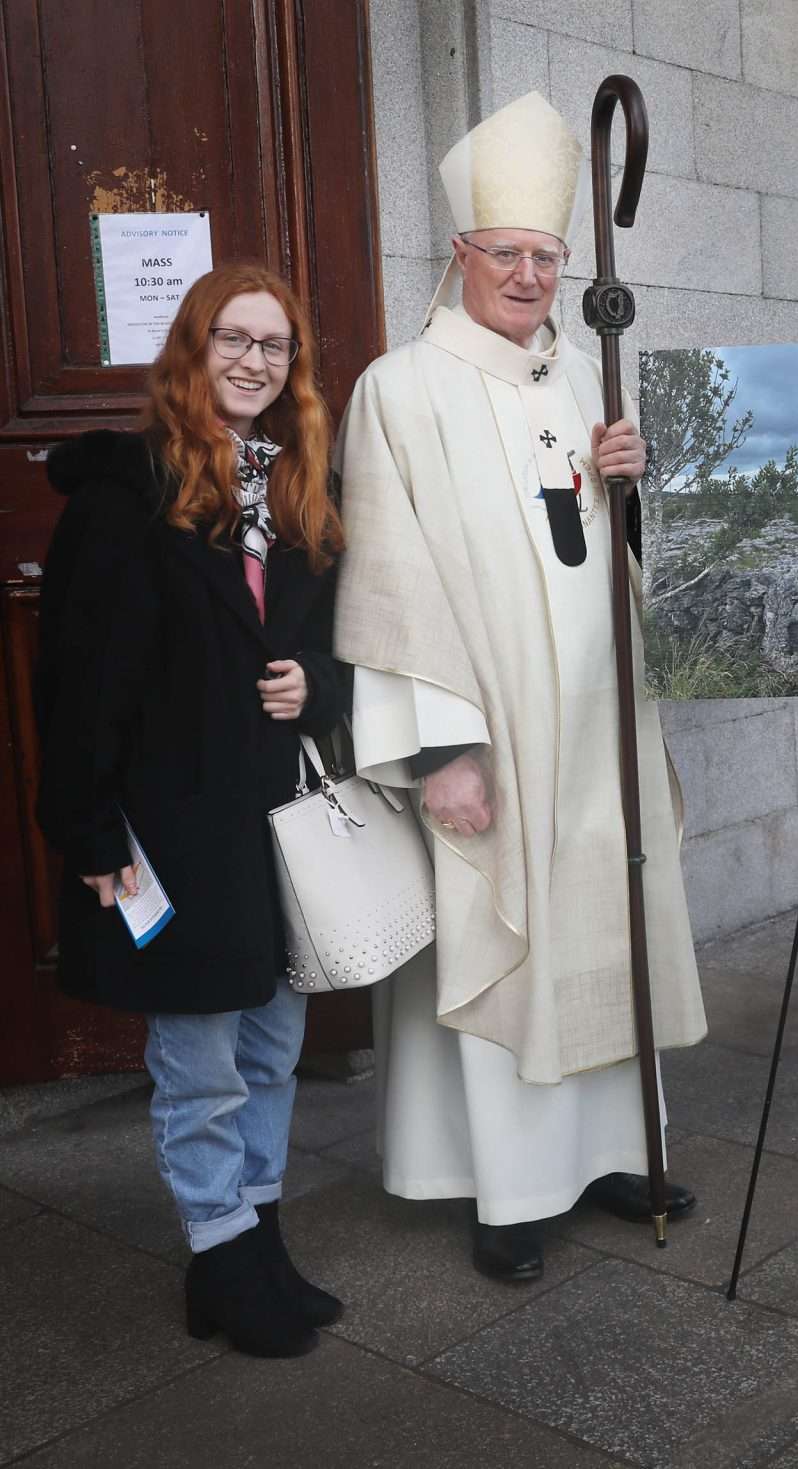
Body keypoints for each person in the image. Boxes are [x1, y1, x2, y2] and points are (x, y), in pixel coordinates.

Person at [334, 90, 706, 1282]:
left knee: (605, 923)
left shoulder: (577, 385)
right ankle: (509, 1189)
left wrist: (634, 485)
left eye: (549, 256)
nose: (534, 276)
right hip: (491, 727)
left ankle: (613, 1153)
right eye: (511, 254)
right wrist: (441, 747)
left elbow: (620, 566)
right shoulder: (400, 389)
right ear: (461, 255)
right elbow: (389, 575)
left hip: (599, 733)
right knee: (509, 932)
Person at [34, 263, 349, 1356]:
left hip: (273, 821)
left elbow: (338, 644)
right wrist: (89, 832)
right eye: (235, 338)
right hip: (171, 827)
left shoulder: (299, 488)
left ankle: (256, 1237)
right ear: (193, 348)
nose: (256, 359)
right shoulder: (129, 498)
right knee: (203, 1057)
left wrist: (319, 682)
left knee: (273, 1041)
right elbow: (76, 682)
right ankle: (220, 1252)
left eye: (276, 345)